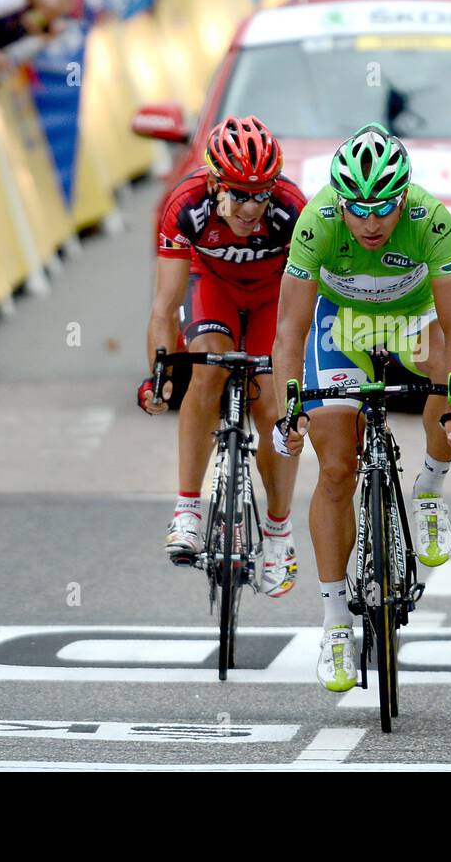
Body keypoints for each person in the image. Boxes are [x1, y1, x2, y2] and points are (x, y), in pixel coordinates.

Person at [271, 122, 451, 692]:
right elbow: (289, 330)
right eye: (357, 207)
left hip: (413, 321)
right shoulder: (317, 222)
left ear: (404, 195)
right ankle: (336, 620)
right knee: (336, 467)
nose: (370, 221)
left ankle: (430, 488)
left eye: (383, 206)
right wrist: (291, 407)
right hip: (342, 328)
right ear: (339, 200)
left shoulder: (429, 220)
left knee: (448, 375)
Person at [139, 115, 306, 598]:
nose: (252, 207)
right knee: (207, 369)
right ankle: (188, 506)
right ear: (214, 183)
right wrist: (159, 374)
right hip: (212, 286)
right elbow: (165, 307)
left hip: (274, 294)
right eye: (239, 193)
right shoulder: (186, 206)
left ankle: (277, 531)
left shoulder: (293, 211)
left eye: (262, 193)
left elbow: (305, 303)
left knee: (272, 403)